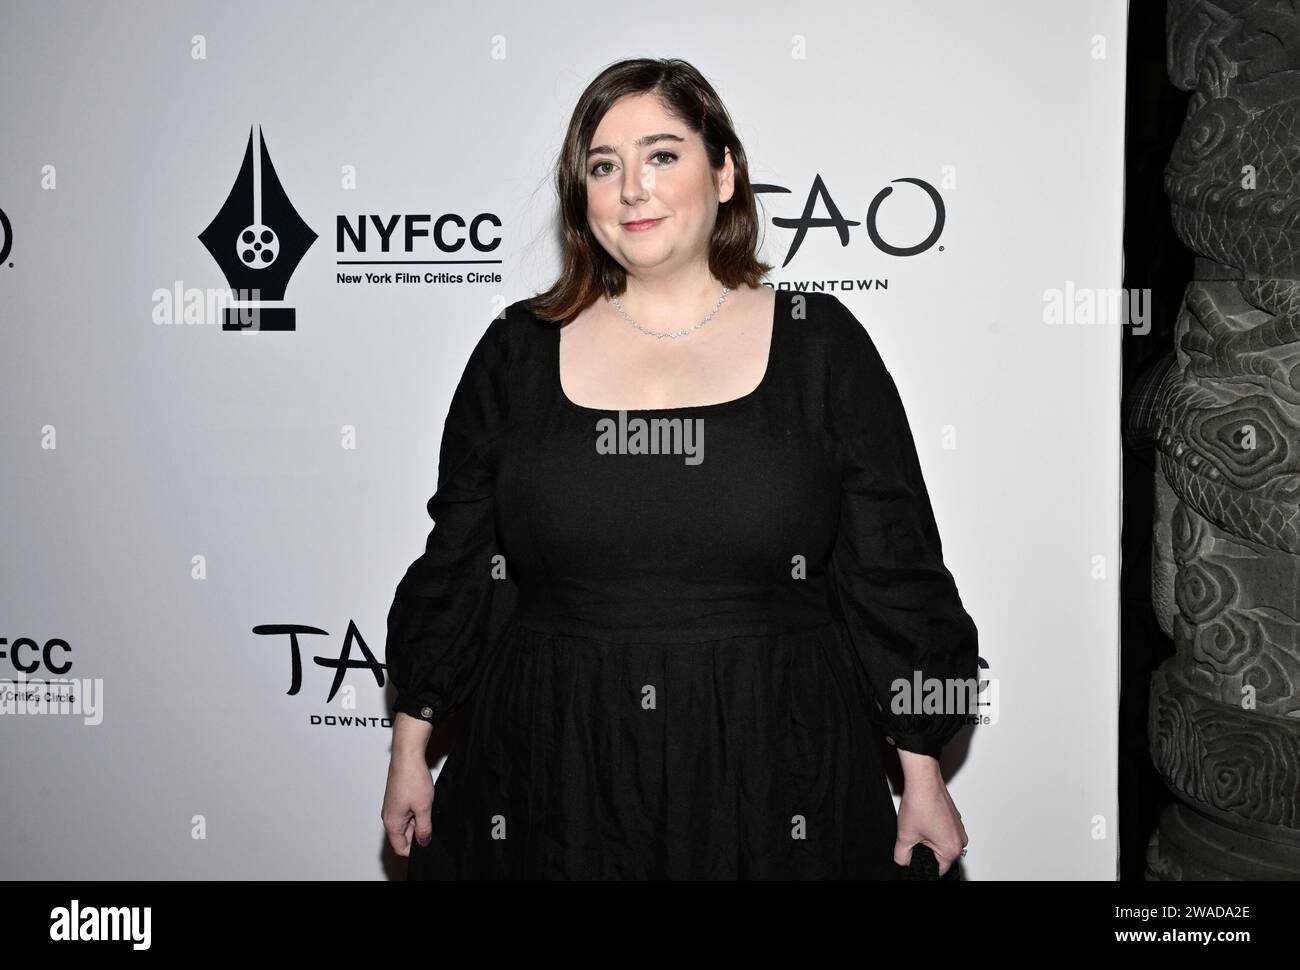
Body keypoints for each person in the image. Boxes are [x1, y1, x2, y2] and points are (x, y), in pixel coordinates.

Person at [380, 57, 979, 880]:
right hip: (553, 767)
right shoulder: (515, 353)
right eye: (604, 166)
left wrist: (922, 773)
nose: (632, 188)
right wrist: (411, 743)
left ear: (725, 173)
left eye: (662, 155)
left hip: (776, 765)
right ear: (580, 195)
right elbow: (457, 564)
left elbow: (891, 564)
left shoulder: (821, 344)